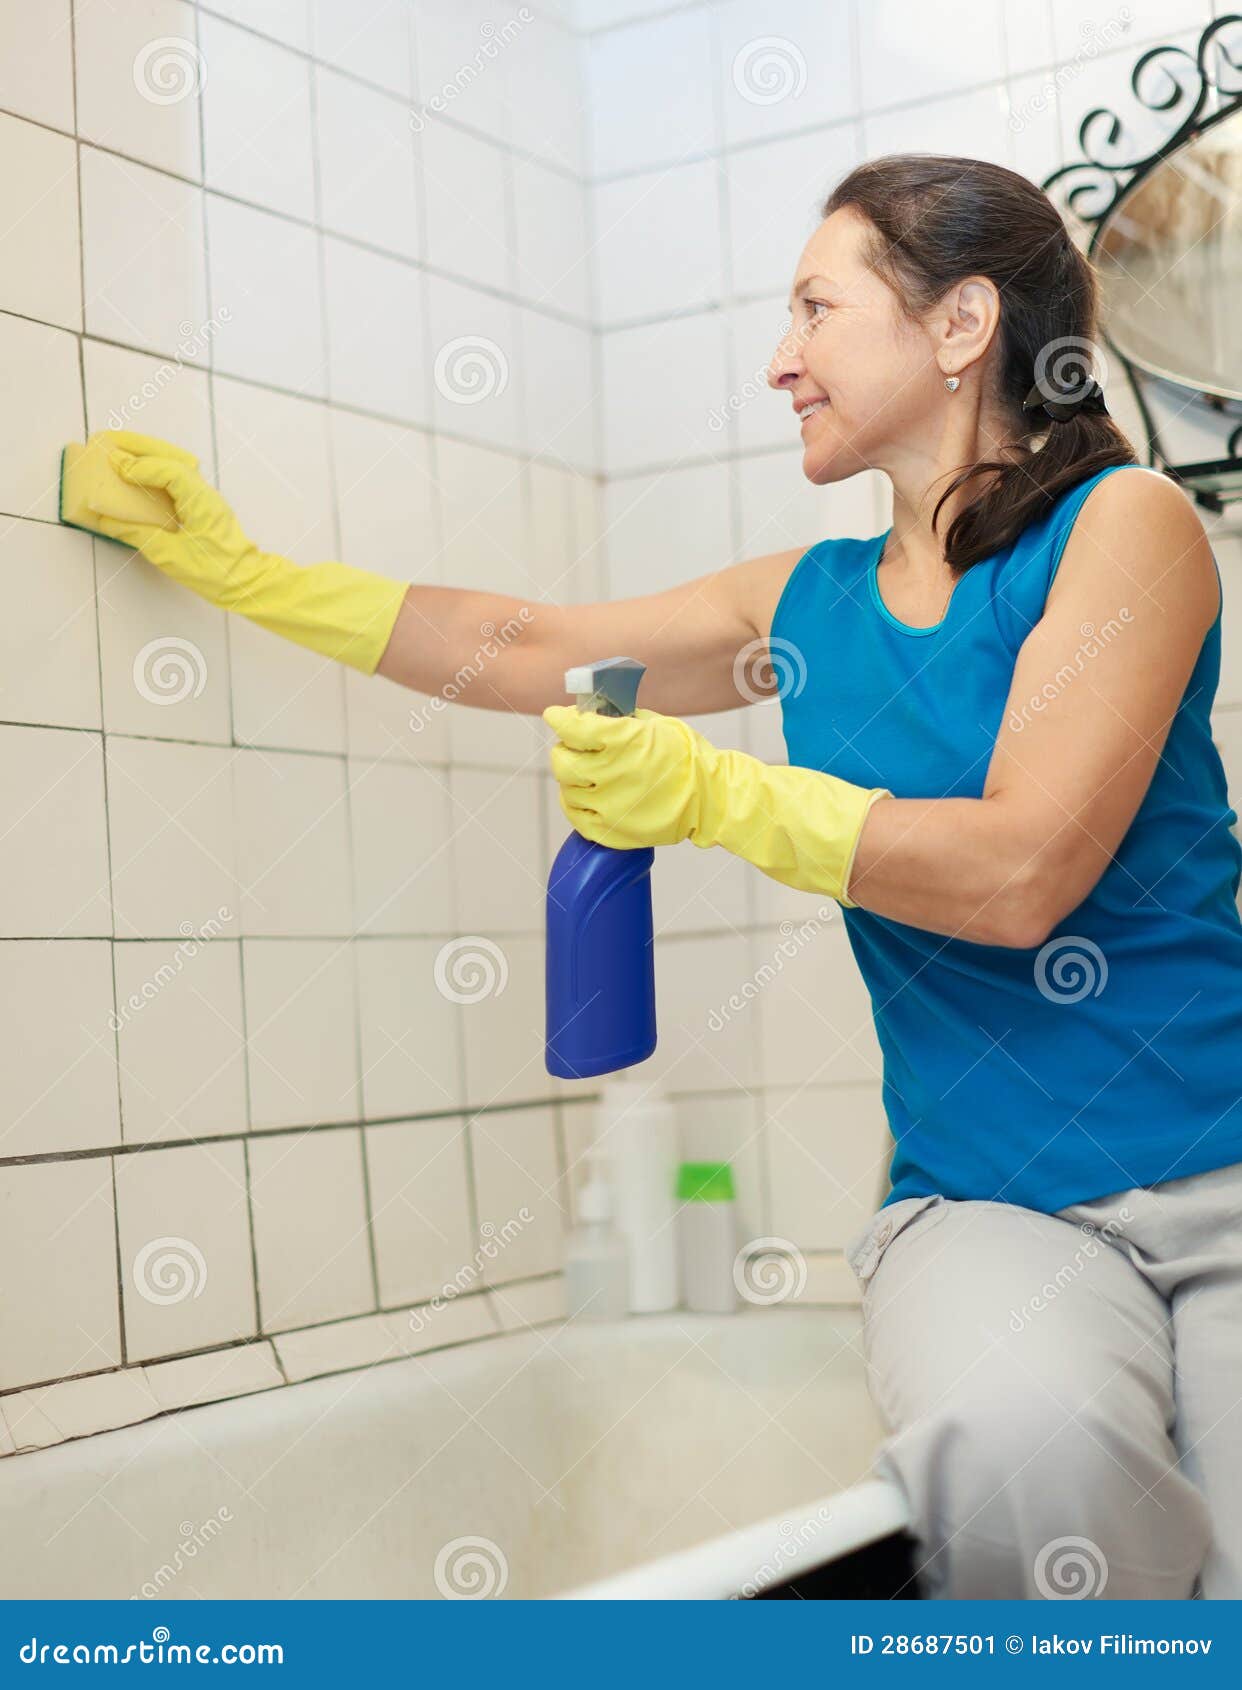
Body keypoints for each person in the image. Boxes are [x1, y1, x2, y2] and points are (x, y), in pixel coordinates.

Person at [87, 154, 1241, 1601]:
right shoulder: (800, 603)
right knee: (1025, 1457)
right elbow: (523, 644)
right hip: (986, 1202)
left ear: (958, 326)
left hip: (1220, 1162)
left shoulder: (1122, 524)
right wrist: (248, 574)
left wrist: (720, 793)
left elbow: (1021, 871)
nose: (781, 359)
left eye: (815, 309)